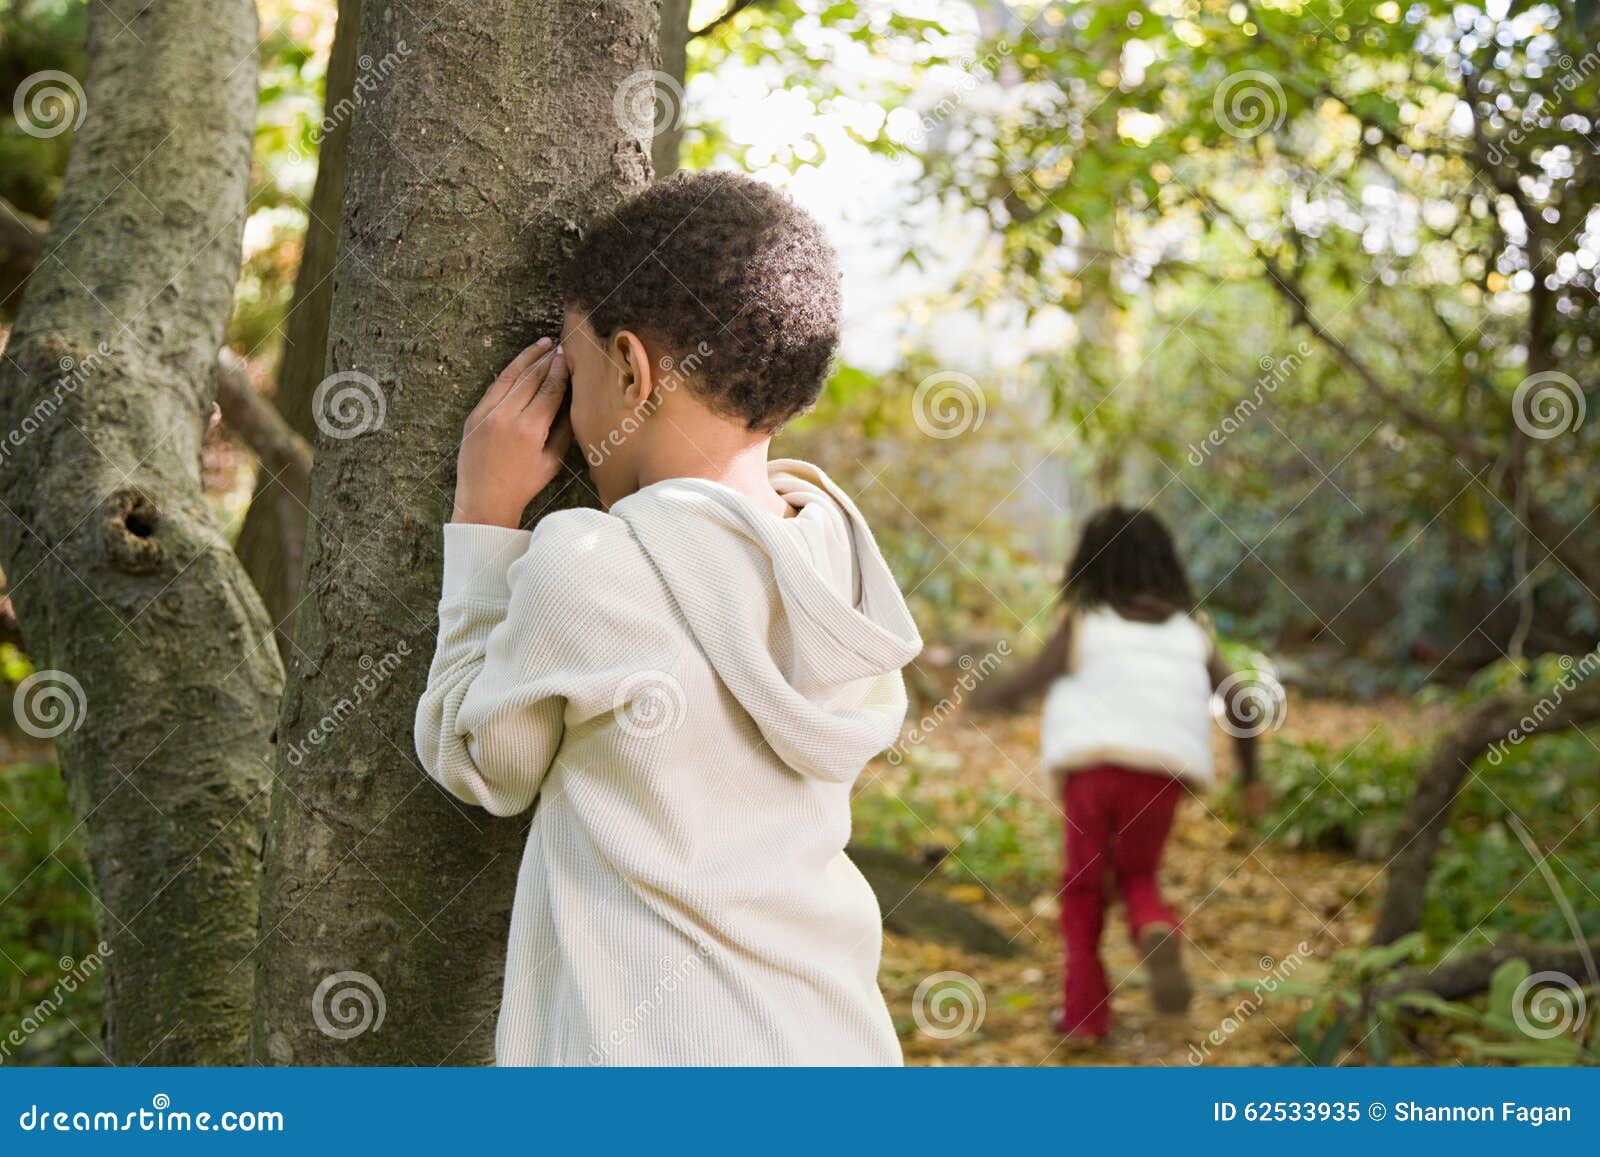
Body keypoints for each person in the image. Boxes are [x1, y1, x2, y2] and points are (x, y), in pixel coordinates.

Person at [413, 172, 922, 1065]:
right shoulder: (837, 555)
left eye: (574, 375)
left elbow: (485, 763)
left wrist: (483, 523)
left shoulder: (592, 562)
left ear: (631, 369)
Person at [972, 505, 1264, 1041]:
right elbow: (1242, 703)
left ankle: (1084, 1014)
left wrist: (980, 695)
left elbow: (1031, 678)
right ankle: (1158, 928)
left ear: (1091, 564)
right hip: (1161, 774)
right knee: (1138, 875)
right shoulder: (1189, 633)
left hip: (1093, 768)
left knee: (1083, 887)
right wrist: (1252, 779)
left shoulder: (1086, 622)